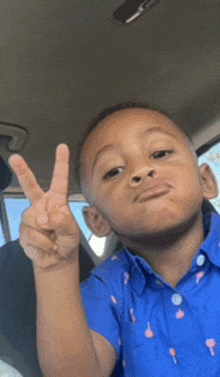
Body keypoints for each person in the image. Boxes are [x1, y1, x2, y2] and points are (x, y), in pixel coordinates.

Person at [8, 102, 219, 377]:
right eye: (113, 171)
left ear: (206, 181)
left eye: (160, 153)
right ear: (97, 220)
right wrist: (55, 269)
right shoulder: (106, 287)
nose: (142, 171)